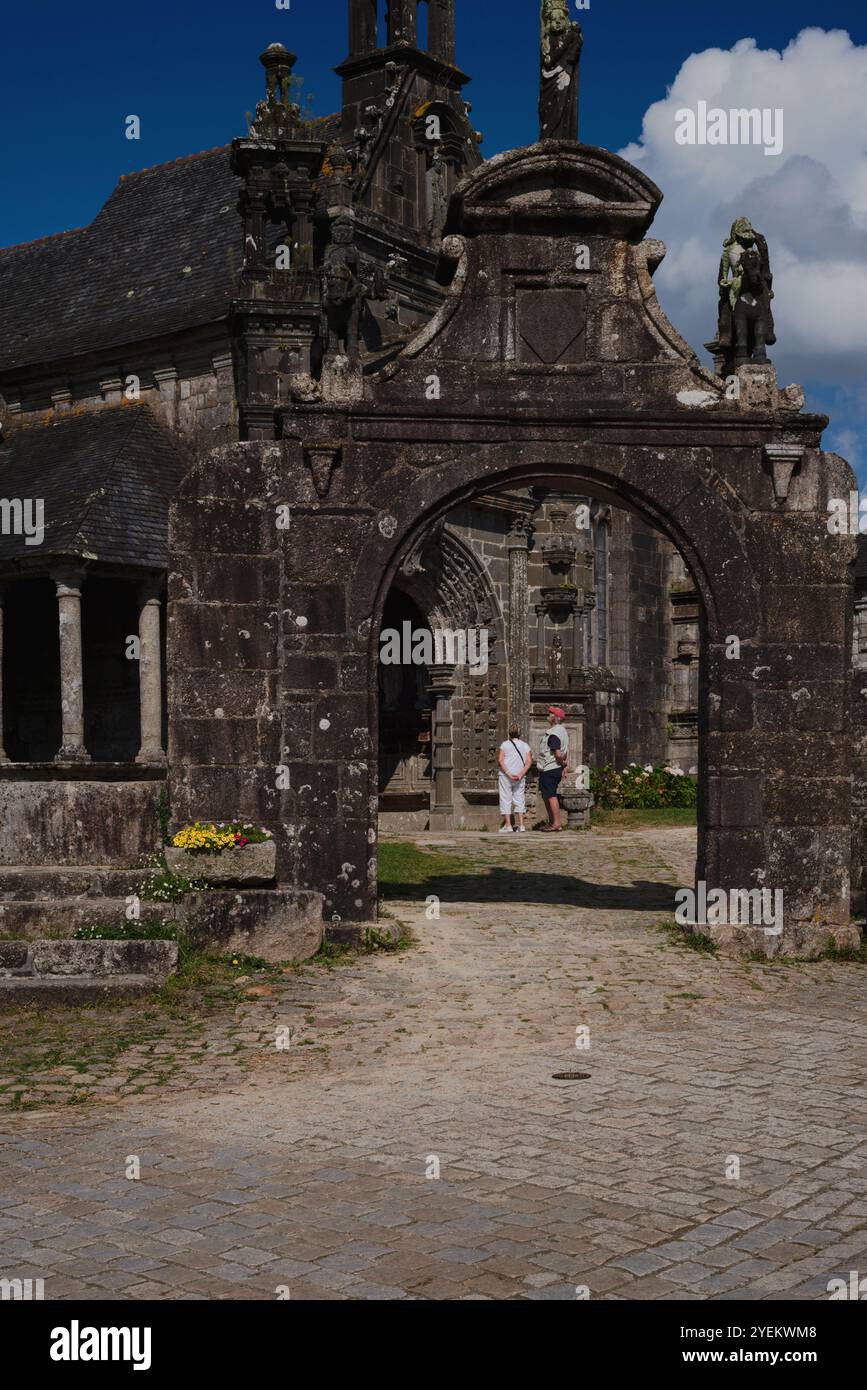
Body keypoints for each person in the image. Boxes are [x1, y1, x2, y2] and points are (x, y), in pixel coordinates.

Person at [537, 706, 569, 832]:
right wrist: (564, 765)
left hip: (550, 767)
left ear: (555, 718)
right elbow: (566, 751)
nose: (548, 715)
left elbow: (558, 754)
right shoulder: (562, 731)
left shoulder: (554, 733)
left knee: (550, 796)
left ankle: (556, 823)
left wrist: (563, 764)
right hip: (552, 768)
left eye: (551, 713)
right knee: (547, 795)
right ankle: (552, 822)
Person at [497, 723, 533, 833]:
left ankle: (508, 826)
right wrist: (521, 774)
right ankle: (521, 825)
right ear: (520, 733)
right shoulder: (525, 745)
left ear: (509, 733)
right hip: (519, 776)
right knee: (519, 799)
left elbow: (500, 760)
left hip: (505, 776)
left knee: (505, 799)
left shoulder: (504, 745)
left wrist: (508, 773)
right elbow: (529, 761)